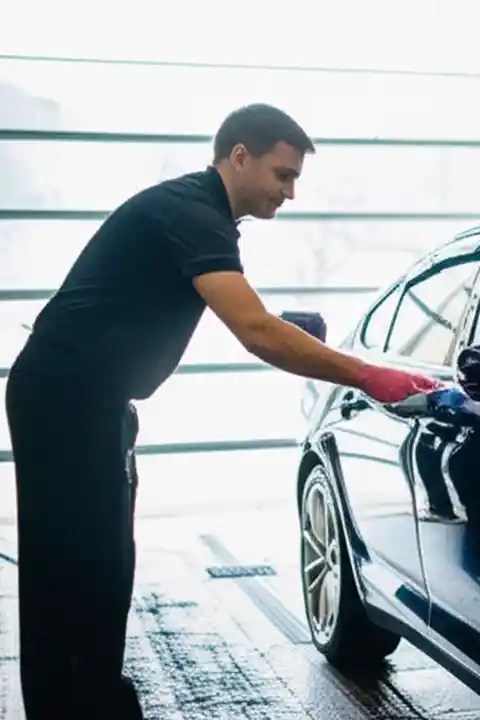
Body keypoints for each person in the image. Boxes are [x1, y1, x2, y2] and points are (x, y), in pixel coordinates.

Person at [4, 103, 437, 718]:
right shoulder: (193, 213)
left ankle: (90, 700)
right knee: (78, 568)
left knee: (99, 565)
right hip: (63, 399)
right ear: (240, 156)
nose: (289, 193)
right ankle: (81, 705)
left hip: (88, 399)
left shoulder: (196, 213)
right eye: (282, 175)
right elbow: (254, 331)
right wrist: (368, 376)